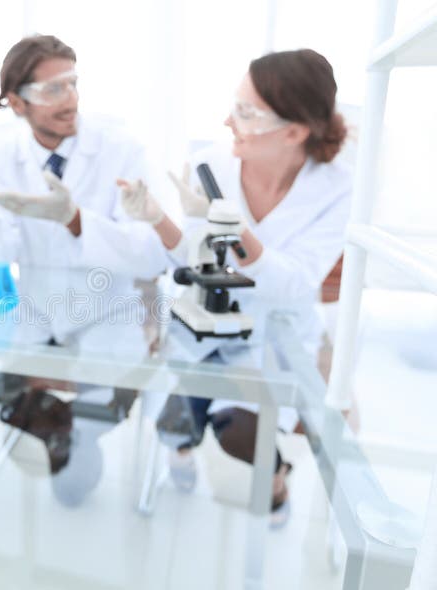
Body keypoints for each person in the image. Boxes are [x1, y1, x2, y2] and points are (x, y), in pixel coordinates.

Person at [119, 49, 351, 523]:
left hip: (273, 336)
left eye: (246, 113)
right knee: (175, 424)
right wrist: (157, 219)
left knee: (244, 434)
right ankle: (178, 454)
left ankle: (275, 477)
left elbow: (295, 284)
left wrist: (233, 228)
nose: (228, 121)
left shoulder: (337, 188)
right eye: (234, 105)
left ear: (294, 130)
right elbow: (189, 255)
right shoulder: (210, 166)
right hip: (202, 321)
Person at [0, 35, 168, 279]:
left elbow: (151, 258)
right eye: (54, 89)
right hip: (34, 314)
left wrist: (76, 220)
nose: (71, 99)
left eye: (72, 84)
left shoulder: (123, 150)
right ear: (17, 103)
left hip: (110, 315)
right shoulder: (4, 159)